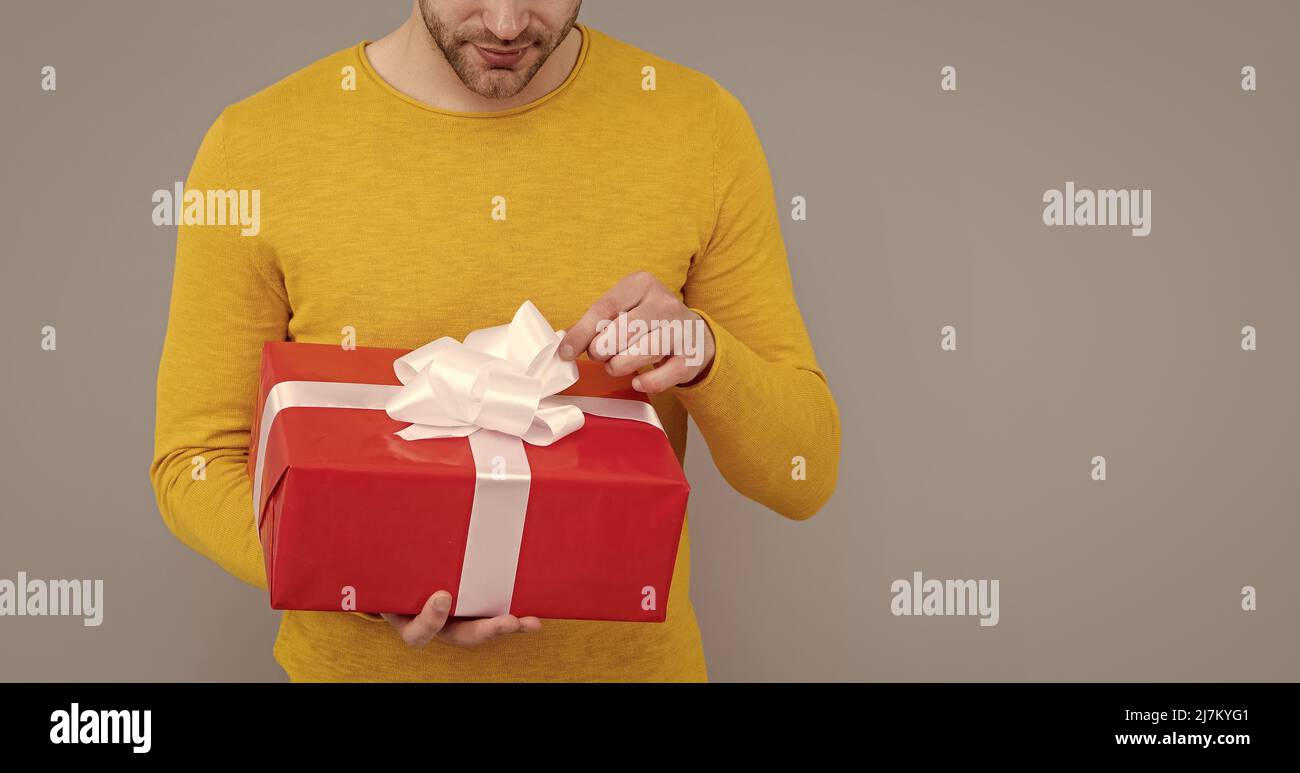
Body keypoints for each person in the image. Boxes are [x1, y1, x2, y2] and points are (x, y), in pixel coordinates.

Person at [151, 0, 840, 682]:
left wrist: (708, 357)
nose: (508, 24)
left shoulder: (700, 128)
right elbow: (194, 461)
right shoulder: (257, 146)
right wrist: (362, 580)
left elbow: (803, 472)